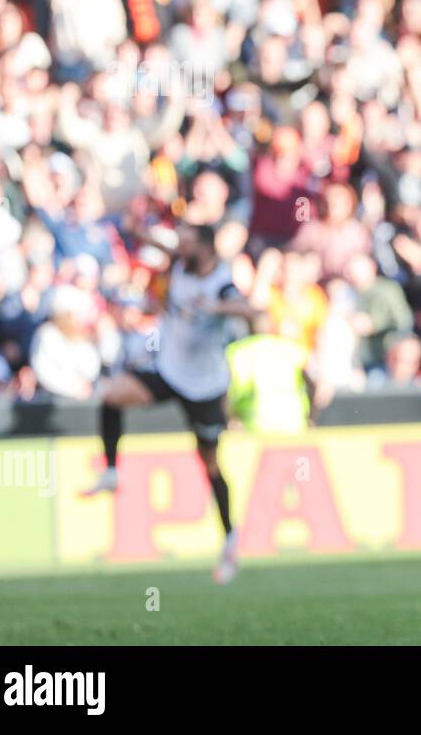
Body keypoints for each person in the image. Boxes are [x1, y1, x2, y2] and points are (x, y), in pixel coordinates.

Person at [82, 222, 255, 584]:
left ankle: (229, 539)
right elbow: (153, 241)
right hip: (170, 368)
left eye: (189, 242)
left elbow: (250, 311)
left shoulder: (220, 281)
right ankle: (112, 471)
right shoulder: (180, 262)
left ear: (206, 249)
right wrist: (131, 225)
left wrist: (217, 307)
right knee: (112, 396)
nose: (182, 247)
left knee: (209, 465)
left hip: (205, 386)